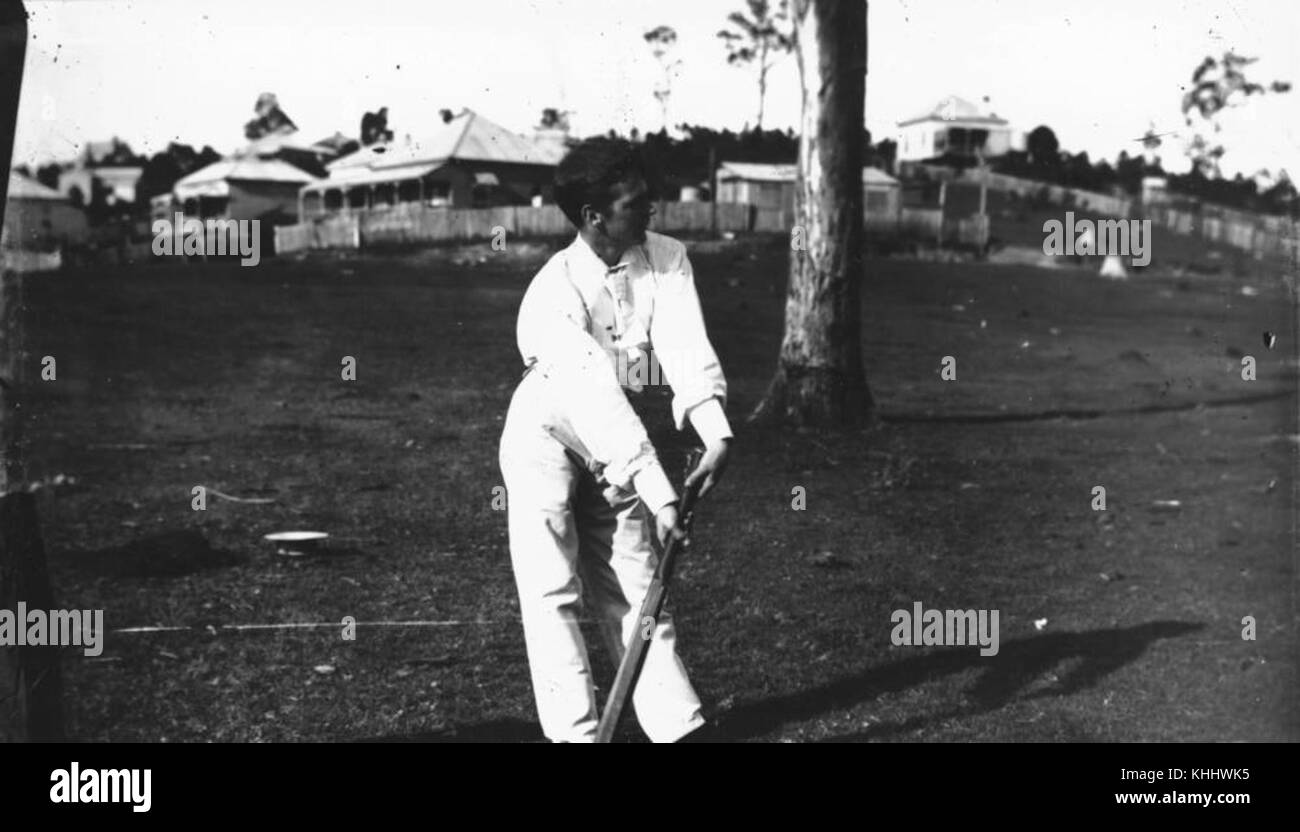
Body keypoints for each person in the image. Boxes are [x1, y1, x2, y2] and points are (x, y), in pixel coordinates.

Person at [498, 138, 733, 743]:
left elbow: (684, 347)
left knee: (634, 584)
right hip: (545, 438)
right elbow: (596, 396)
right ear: (593, 217)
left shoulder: (667, 257)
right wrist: (660, 494)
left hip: (618, 443)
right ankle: (576, 737)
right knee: (552, 591)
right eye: (635, 204)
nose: (650, 210)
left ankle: (679, 728)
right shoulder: (553, 290)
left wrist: (714, 433)